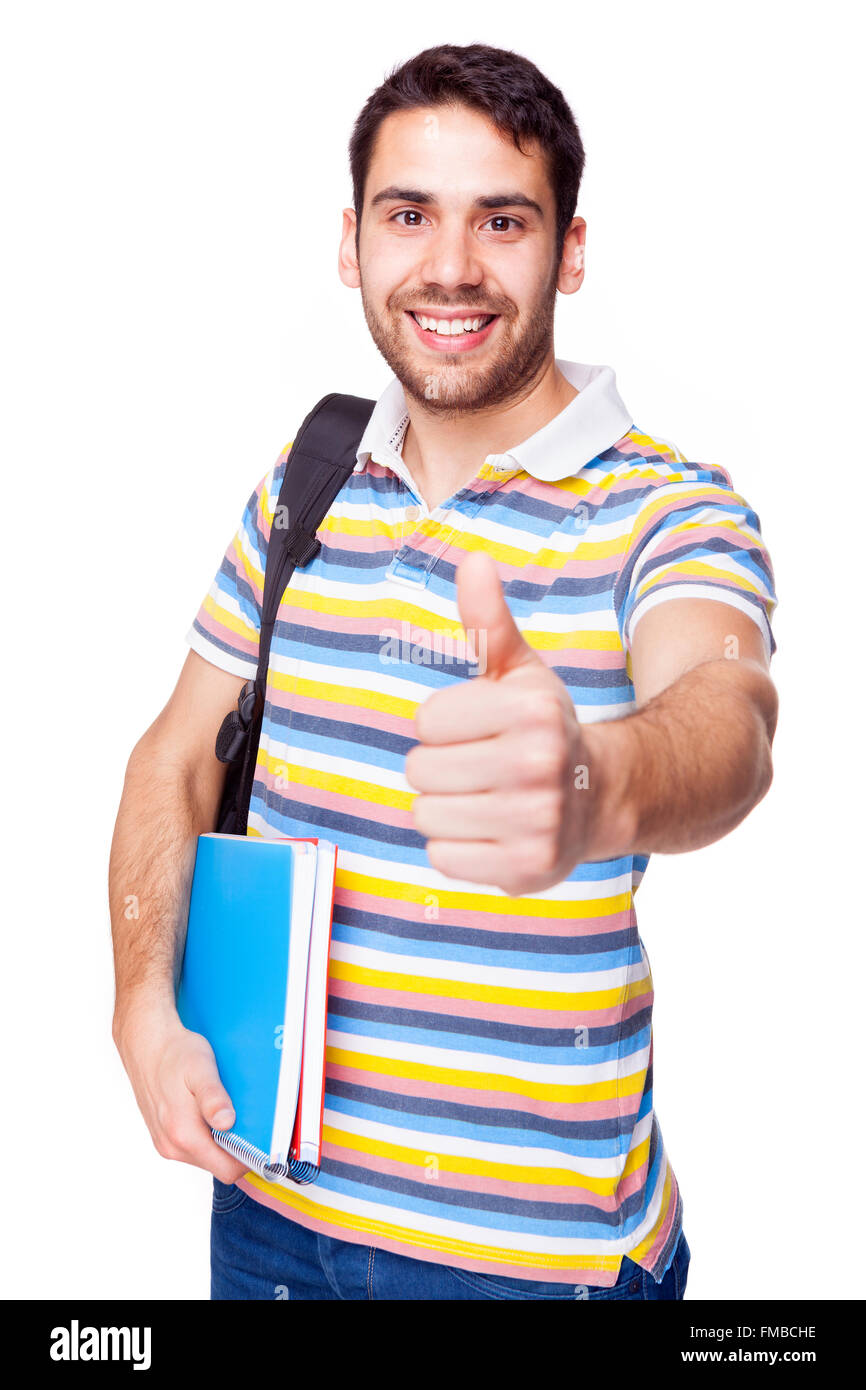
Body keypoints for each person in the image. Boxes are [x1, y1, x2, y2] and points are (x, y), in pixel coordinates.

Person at [109, 42, 778, 1301]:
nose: (451, 266)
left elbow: (726, 716)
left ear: (569, 251)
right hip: (267, 1214)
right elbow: (174, 754)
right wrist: (140, 1003)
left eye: (502, 220)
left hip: (532, 1266)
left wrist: (598, 781)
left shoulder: (668, 513)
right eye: (408, 215)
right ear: (351, 241)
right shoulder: (305, 482)